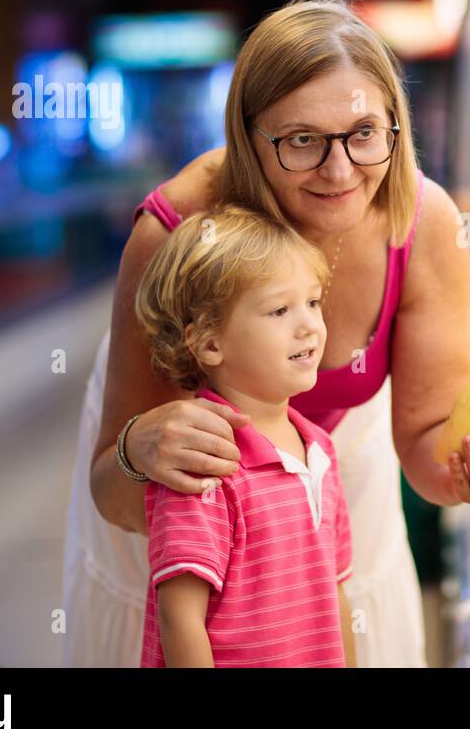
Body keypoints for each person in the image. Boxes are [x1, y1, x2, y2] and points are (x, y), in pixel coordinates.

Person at [62, 0, 470, 667]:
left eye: (364, 134)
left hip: (329, 471)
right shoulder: (177, 231)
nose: (340, 171)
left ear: (395, 125)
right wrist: (139, 449)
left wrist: (468, 472)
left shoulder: (424, 225)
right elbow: (114, 490)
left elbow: (428, 445)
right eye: (302, 141)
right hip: (183, 519)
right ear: (248, 138)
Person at [135, 205, 353, 667]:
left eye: (313, 302)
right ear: (211, 343)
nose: (309, 324)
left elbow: (335, 594)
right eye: (279, 309)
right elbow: (181, 620)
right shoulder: (205, 460)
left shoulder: (321, 451)